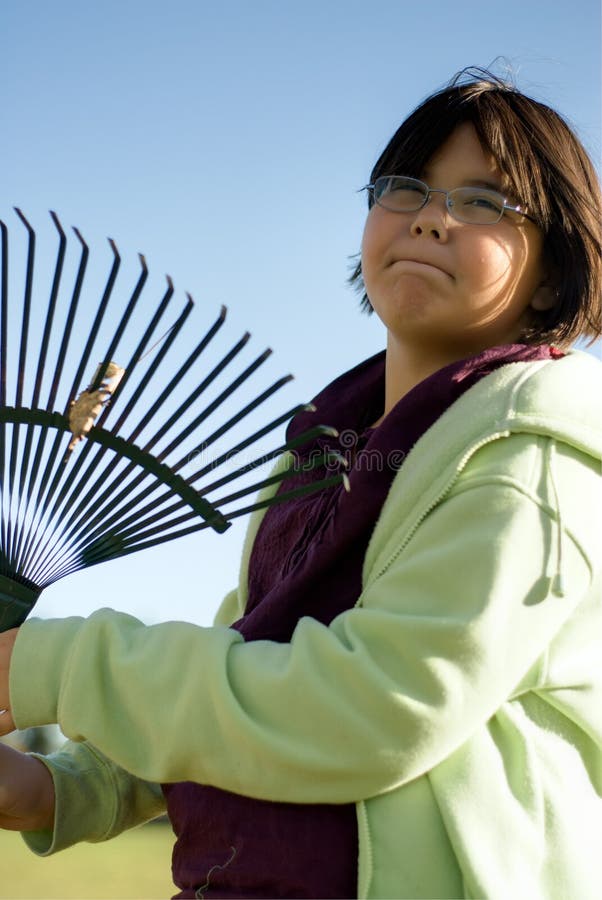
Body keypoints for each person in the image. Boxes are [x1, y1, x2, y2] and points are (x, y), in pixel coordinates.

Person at [0, 67, 601, 899]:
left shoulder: (533, 450)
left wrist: (53, 664)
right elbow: (248, 669)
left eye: (485, 202)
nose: (431, 217)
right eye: (408, 189)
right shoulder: (322, 453)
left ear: (551, 271)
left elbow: (379, 705)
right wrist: (61, 787)